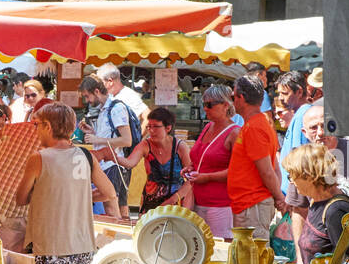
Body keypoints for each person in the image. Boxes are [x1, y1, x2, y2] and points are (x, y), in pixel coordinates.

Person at [15, 101, 123, 264]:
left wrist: (49, 194)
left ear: (48, 126)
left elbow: (20, 198)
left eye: (37, 125)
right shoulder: (86, 155)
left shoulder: (38, 158)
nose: (36, 130)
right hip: (83, 246)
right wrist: (77, 195)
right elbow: (109, 193)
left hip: (51, 246)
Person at [285, 101, 349, 257]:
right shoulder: (301, 162)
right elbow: (299, 210)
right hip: (318, 254)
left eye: (325, 126)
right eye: (314, 128)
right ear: (304, 132)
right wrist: (301, 258)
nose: (320, 132)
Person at [227, 74, 284, 239]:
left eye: (233, 96)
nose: (232, 101)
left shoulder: (254, 127)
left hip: (252, 205)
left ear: (241, 98)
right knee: (250, 258)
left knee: (253, 259)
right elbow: (274, 167)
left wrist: (279, 198)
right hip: (251, 204)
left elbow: (268, 171)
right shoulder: (259, 124)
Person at [283, 142, 349, 264]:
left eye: (292, 175)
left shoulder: (336, 210)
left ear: (309, 176)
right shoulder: (315, 202)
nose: (291, 181)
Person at [117, 106, 193, 213]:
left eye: (156, 127)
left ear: (168, 128)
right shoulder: (145, 144)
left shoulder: (180, 146)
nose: (151, 131)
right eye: (149, 126)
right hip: (150, 201)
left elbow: (191, 179)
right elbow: (130, 163)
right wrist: (114, 157)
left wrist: (174, 198)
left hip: (176, 200)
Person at [187, 86, 239, 237]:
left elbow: (237, 171)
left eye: (209, 105)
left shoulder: (234, 132)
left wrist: (207, 177)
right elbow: (202, 157)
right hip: (198, 201)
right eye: (204, 104)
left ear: (225, 104)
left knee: (219, 250)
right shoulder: (208, 126)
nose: (205, 108)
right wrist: (191, 167)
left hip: (220, 205)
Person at [79, 74, 132, 216]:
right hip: (107, 164)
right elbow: (110, 136)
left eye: (87, 96)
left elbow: (126, 140)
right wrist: (93, 132)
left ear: (96, 91)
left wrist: (97, 139)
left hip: (113, 164)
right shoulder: (104, 110)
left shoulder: (116, 108)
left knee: (111, 208)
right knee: (116, 208)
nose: (87, 101)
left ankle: (113, 237)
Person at [274, 72, 311, 195]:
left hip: (295, 193)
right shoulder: (300, 114)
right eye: (279, 93)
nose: (280, 98)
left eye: (284, 93)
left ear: (299, 92)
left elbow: (299, 161)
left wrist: (293, 198)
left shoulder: (302, 115)